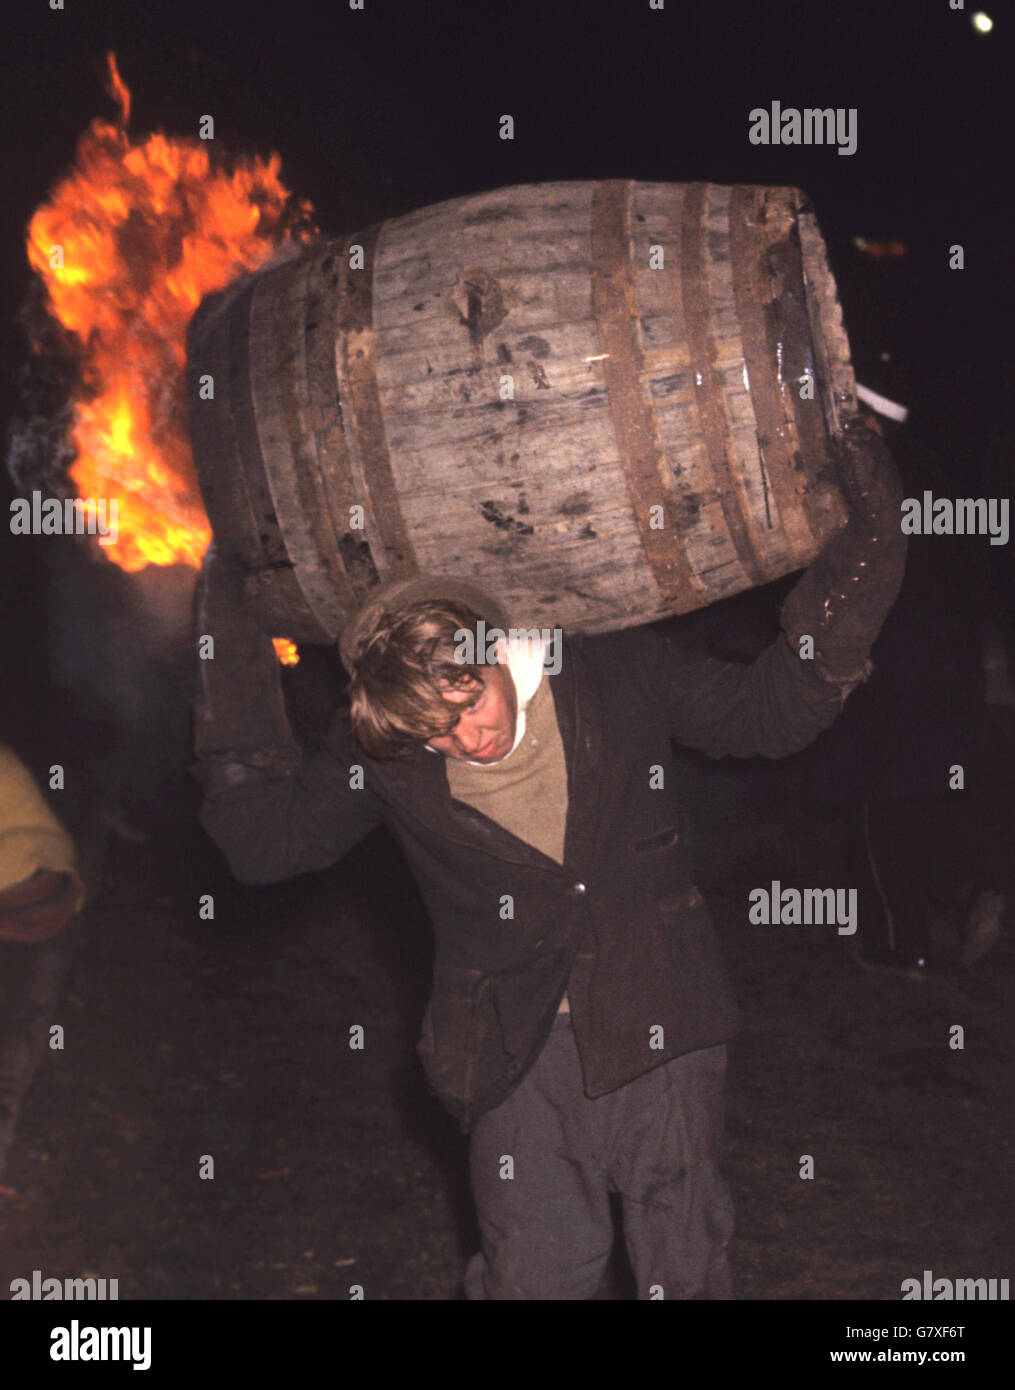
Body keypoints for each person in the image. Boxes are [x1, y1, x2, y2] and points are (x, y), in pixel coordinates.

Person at [191, 420, 906, 1299]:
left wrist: (861, 563)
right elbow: (265, 844)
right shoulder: (383, 753)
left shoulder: (612, 667)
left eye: (469, 702)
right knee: (535, 1277)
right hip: (509, 1049)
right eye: (434, 730)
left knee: (684, 1266)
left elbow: (768, 712)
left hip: (659, 1018)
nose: (464, 739)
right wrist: (222, 629)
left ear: (494, 647)